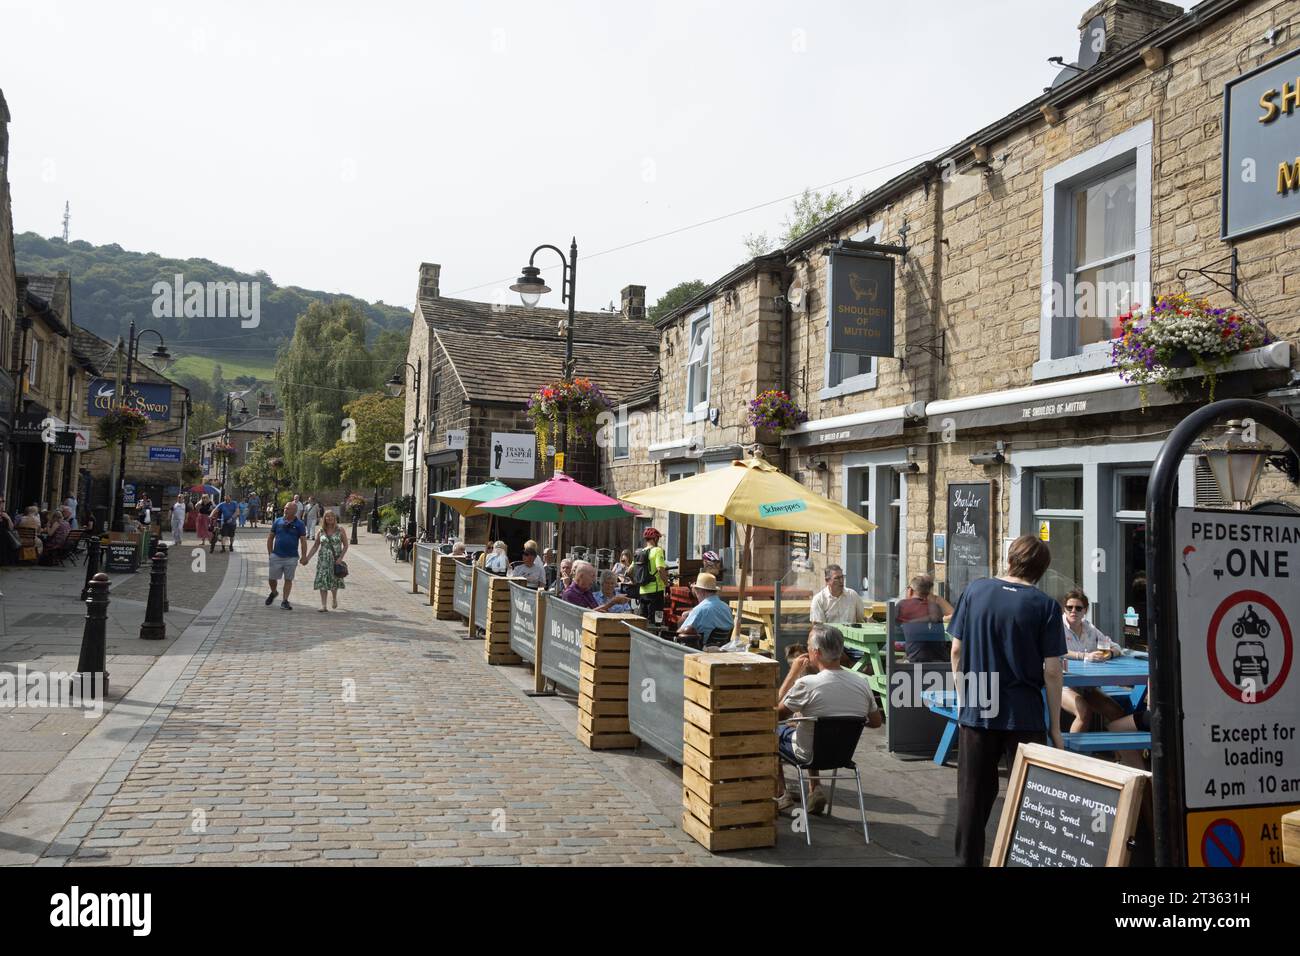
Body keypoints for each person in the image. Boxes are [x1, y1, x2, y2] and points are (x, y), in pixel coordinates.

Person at [949, 534, 1065, 867]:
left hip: (978, 707)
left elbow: (956, 650)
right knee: (1030, 799)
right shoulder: (1045, 605)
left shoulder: (974, 591)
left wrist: (963, 699)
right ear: (1041, 569)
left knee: (972, 799)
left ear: (1010, 558)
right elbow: (1053, 671)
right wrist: (1055, 727)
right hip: (1025, 714)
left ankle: (966, 862)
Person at [775, 623, 883, 814]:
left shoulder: (807, 684)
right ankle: (814, 789)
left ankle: (781, 793)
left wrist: (792, 674)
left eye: (808, 645)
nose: (806, 649)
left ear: (815, 652)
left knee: (771, 733)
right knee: (808, 726)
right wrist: (848, 717)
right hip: (841, 754)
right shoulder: (862, 683)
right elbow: (875, 722)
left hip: (808, 755)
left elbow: (774, 715)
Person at [1059, 589, 1124, 734]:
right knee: (1084, 712)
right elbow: (1055, 650)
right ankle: (1072, 757)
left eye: (1078, 608)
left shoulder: (1089, 628)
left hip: (1086, 685)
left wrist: (1109, 654)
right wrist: (1083, 656)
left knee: (1116, 712)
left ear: (1085, 610)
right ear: (1064, 609)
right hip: (1063, 684)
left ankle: (1122, 756)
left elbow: (1116, 646)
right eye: (1069, 607)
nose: (1073, 611)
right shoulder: (1057, 626)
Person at [897, 573, 955, 663]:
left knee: (896, 661)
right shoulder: (936, 607)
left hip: (916, 663)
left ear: (910, 591)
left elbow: (891, 629)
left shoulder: (902, 605)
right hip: (941, 662)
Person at [303, 508, 349, 612]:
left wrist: (341, 558)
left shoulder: (340, 530)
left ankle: (334, 598)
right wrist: (307, 558)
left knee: (334, 580)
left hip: (335, 560)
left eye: (332, 516)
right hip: (323, 560)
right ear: (324, 519)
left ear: (335, 518)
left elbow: (346, 545)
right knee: (322, 581)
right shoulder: (321, 531)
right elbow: (315, 546)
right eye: (327, 516)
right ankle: (323, 605)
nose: (330, 518)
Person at [265, 501, 308, 610]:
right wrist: (270, 553)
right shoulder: (278, 521)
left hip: (291, 557)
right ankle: (274, 592)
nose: (285, 510)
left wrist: (304, 556)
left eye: (288, 508)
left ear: (294, 511)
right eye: (285, 508)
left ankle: (285, 600)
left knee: (288, 579)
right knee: (271, 578)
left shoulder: (299, 524)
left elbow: (303, 541)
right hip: (277, 555)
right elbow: (270, 537)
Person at [676, 572, 734, 647]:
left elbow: (681, 632)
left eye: (696, 591)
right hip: (721, 649)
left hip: (700, 650)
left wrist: (683, 619)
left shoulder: (700, 609)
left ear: (701, 591)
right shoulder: (726, 607)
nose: (696, 595)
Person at [633, 528, 668, 623]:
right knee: (656, 621)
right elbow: (660, 568)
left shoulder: (639, 552)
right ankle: (654, 636)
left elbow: (630, 570)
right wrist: (666, 583)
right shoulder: (657, 550)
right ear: (655, 539)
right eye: (658, 538)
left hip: (642, 591)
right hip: (656, 592)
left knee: (643, 621)